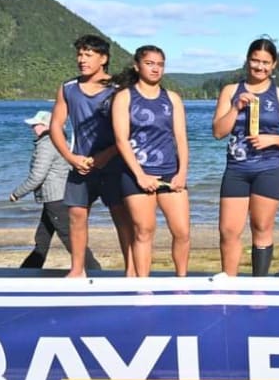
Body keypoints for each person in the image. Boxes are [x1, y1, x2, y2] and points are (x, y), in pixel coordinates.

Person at [212, 37, 279, 276]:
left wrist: (271, 139)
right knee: (229, 230)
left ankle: (258, 285)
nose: (260, 67)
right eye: (255, 61)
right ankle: (229, 283)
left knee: (261, 227)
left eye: (265, 62)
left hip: (269, 169)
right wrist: (235, 108)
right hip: (237, 170)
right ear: (247, 60)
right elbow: (218, 132)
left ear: (274, 65)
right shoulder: (231, 91)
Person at [49, 34, 134, 277]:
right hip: (80, 162)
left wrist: (106, 155)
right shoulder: (68, 88)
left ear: (103, 58)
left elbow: (129, 130)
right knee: (76, 214)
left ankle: (131, 270)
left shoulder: (119, 89)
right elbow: (56, 126)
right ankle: (77, 270)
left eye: (88, 55)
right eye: (79, 54)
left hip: (114, 162)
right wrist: (69, 157)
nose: (82, 59)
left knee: (121, 215)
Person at [112, 46, 190, 277]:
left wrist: (182, 172)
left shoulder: (172, 98)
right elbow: (121, 140)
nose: (155, 68)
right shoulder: (124, 97)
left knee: (182, 232)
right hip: (137, 174)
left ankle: (182, 281)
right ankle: (143, 286)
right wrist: (140, 175)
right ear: (137, 66)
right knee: (144, 231)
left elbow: (181, 139)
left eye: (160, 64)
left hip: (170, 172)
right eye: (150, 63)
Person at [10, 110, 101, 271]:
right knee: (42, 238)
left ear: (46, 126)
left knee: (71, 240)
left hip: (56, 199)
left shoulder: (47, 144)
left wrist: (17, 193)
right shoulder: (58, 140)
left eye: (36, 125)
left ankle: (94, 271)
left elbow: (37, 176)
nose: (33, 128)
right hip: (58, 196)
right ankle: (27, 271)